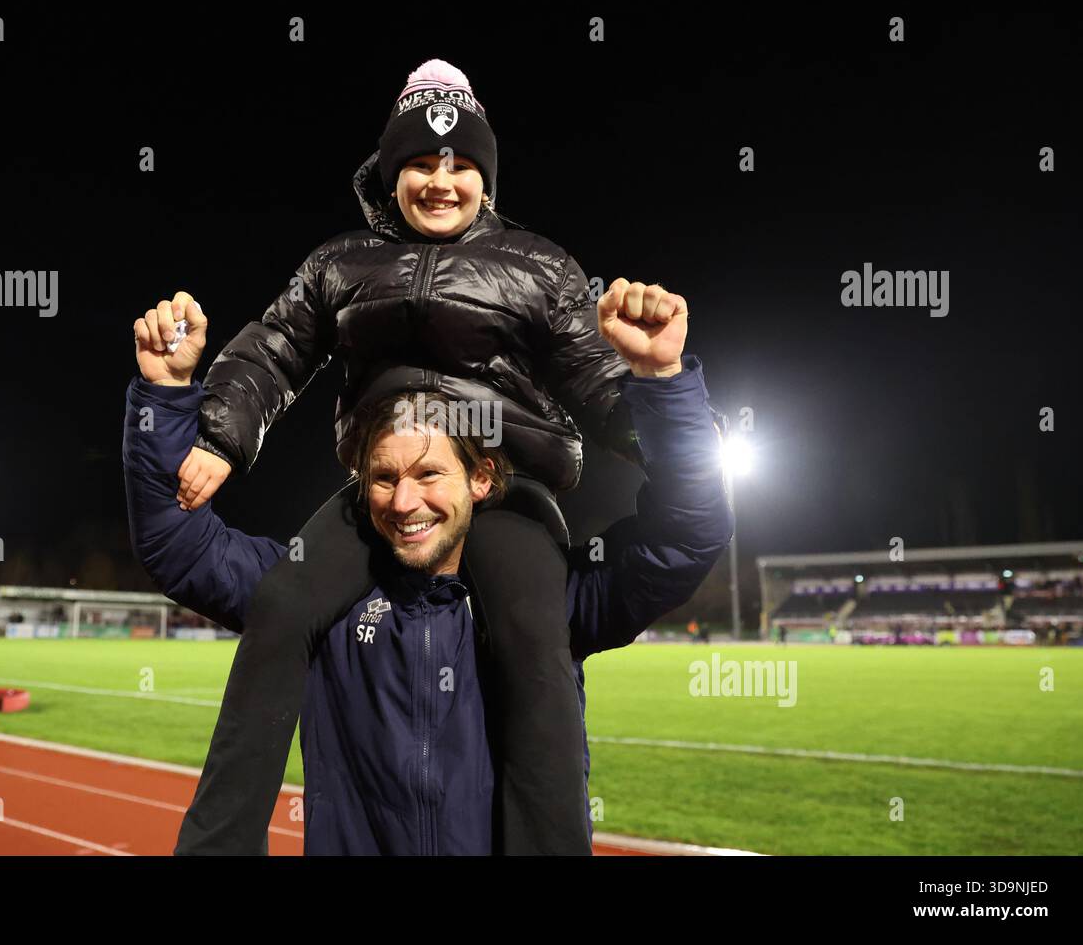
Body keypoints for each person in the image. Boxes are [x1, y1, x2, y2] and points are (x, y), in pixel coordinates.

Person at [142, 58, 682, 855]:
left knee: (533, 633)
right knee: (281, 607)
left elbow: (598, 383)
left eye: (460, 164)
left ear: (485, 179)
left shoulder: (538, 265)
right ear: (389, 173)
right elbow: (274, 349)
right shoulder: (340, 263)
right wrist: (221, 434)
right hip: (388, 490)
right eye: (421, 163)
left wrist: (669, 414)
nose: (441, 181)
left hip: (504, 489)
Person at [125, 271, 733, 854]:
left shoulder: (553, 601)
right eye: (384, 478)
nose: (404, 502)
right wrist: (165, 393)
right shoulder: (316, 596)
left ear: (481, 478)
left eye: (429, 474)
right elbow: (178, 547)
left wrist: (662, 380)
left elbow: (686, 535)